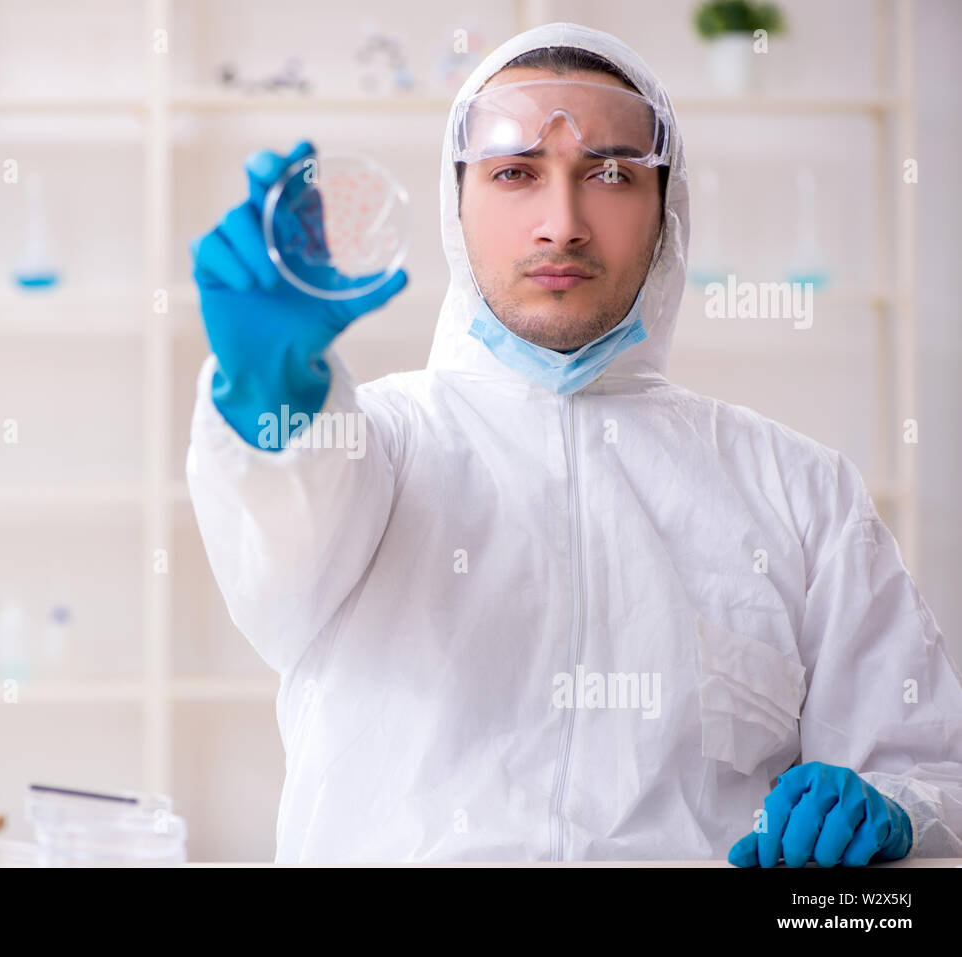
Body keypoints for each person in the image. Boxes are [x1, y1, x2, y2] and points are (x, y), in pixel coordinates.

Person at [186, 22, 962, 865]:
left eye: (612, 173)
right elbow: (280, 542)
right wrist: (275, 391)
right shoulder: (378, 447)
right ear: (458, 204)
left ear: (667, 209)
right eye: (516, 173)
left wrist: (894, 810)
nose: (562, 224)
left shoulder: (801, 491)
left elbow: (928, 765)